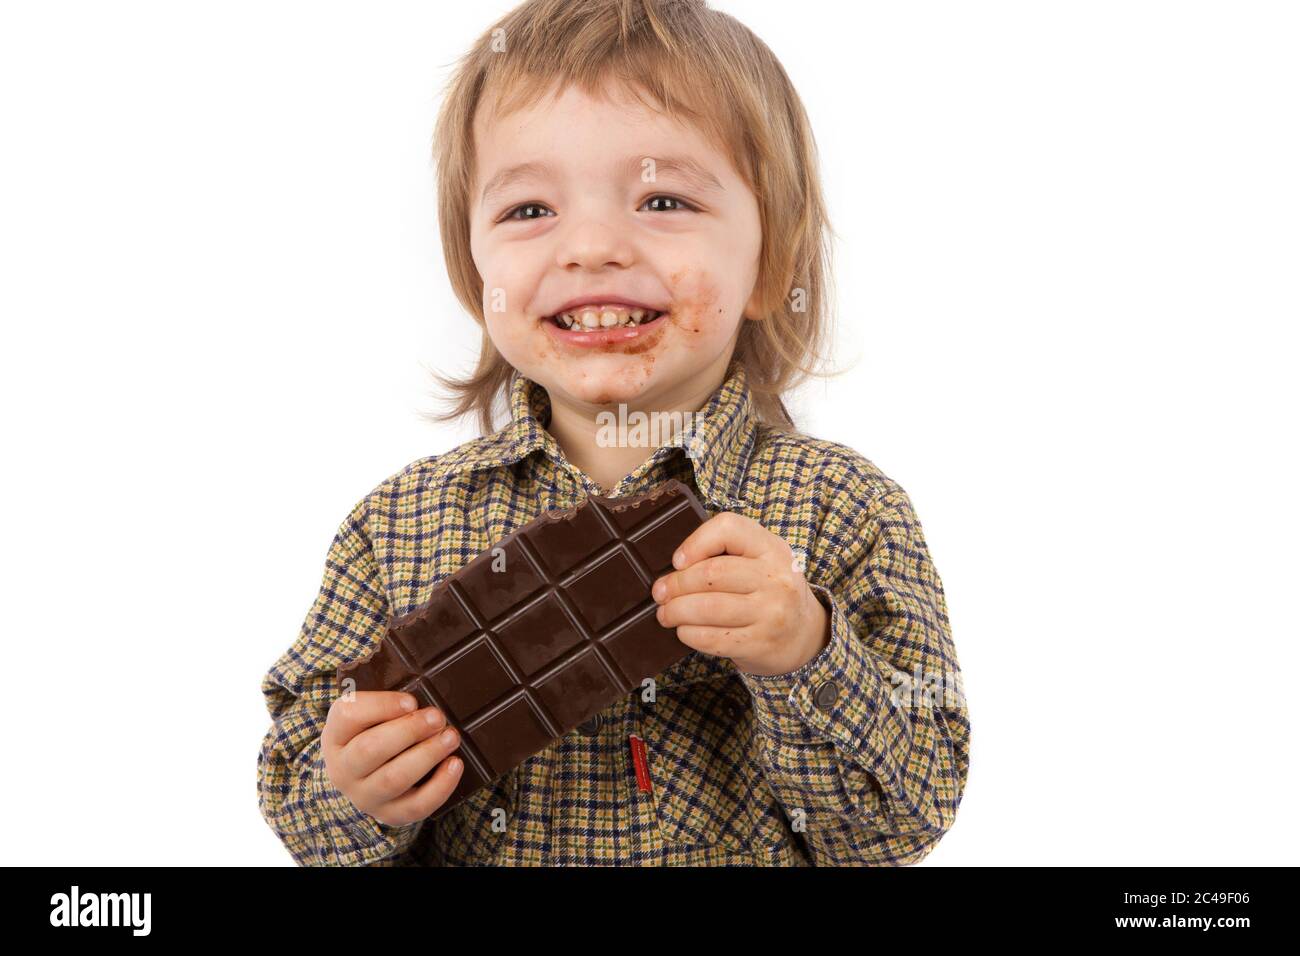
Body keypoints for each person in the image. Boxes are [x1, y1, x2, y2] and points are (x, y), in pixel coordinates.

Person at [257, 0, 969, 866]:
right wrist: (353, 789)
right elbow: (296, 786)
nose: (591, 246)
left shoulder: (844, 511)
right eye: (528, 211)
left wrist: (806, 652)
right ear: (473, 268)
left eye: (662, 198)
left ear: (768, 264)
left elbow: (905, 820)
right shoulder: (398, 525)